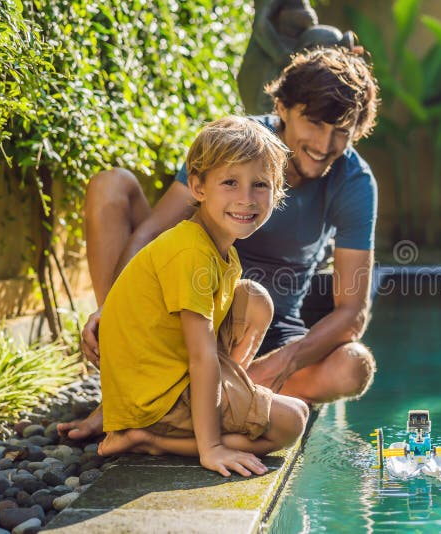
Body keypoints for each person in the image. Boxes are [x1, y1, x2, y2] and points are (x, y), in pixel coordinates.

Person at [59, 46, 380, 441]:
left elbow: (352, 311)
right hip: (191, 308)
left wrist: (282, 361)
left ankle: (205, 399)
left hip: (271, 326)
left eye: (342, 132)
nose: (325, 143)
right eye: (314, 122)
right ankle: (129, 381)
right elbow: (154, 231)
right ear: (282, 107)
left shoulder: (354, 181)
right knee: (110, 186)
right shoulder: (237, 143)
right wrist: (112, 309)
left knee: (353, 366)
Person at [95, 117, 308, 476]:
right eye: (230, 182)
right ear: (197, 187)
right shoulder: (190, 252)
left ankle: (224, 408)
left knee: (255, 301)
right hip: (155, 399)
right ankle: (153, 439)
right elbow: (201, 353)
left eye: (260, 185)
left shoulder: (218, 248)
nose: (246, 198)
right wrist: (211, 449)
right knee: (292, 422)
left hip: (167, 373)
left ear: (277, 192)